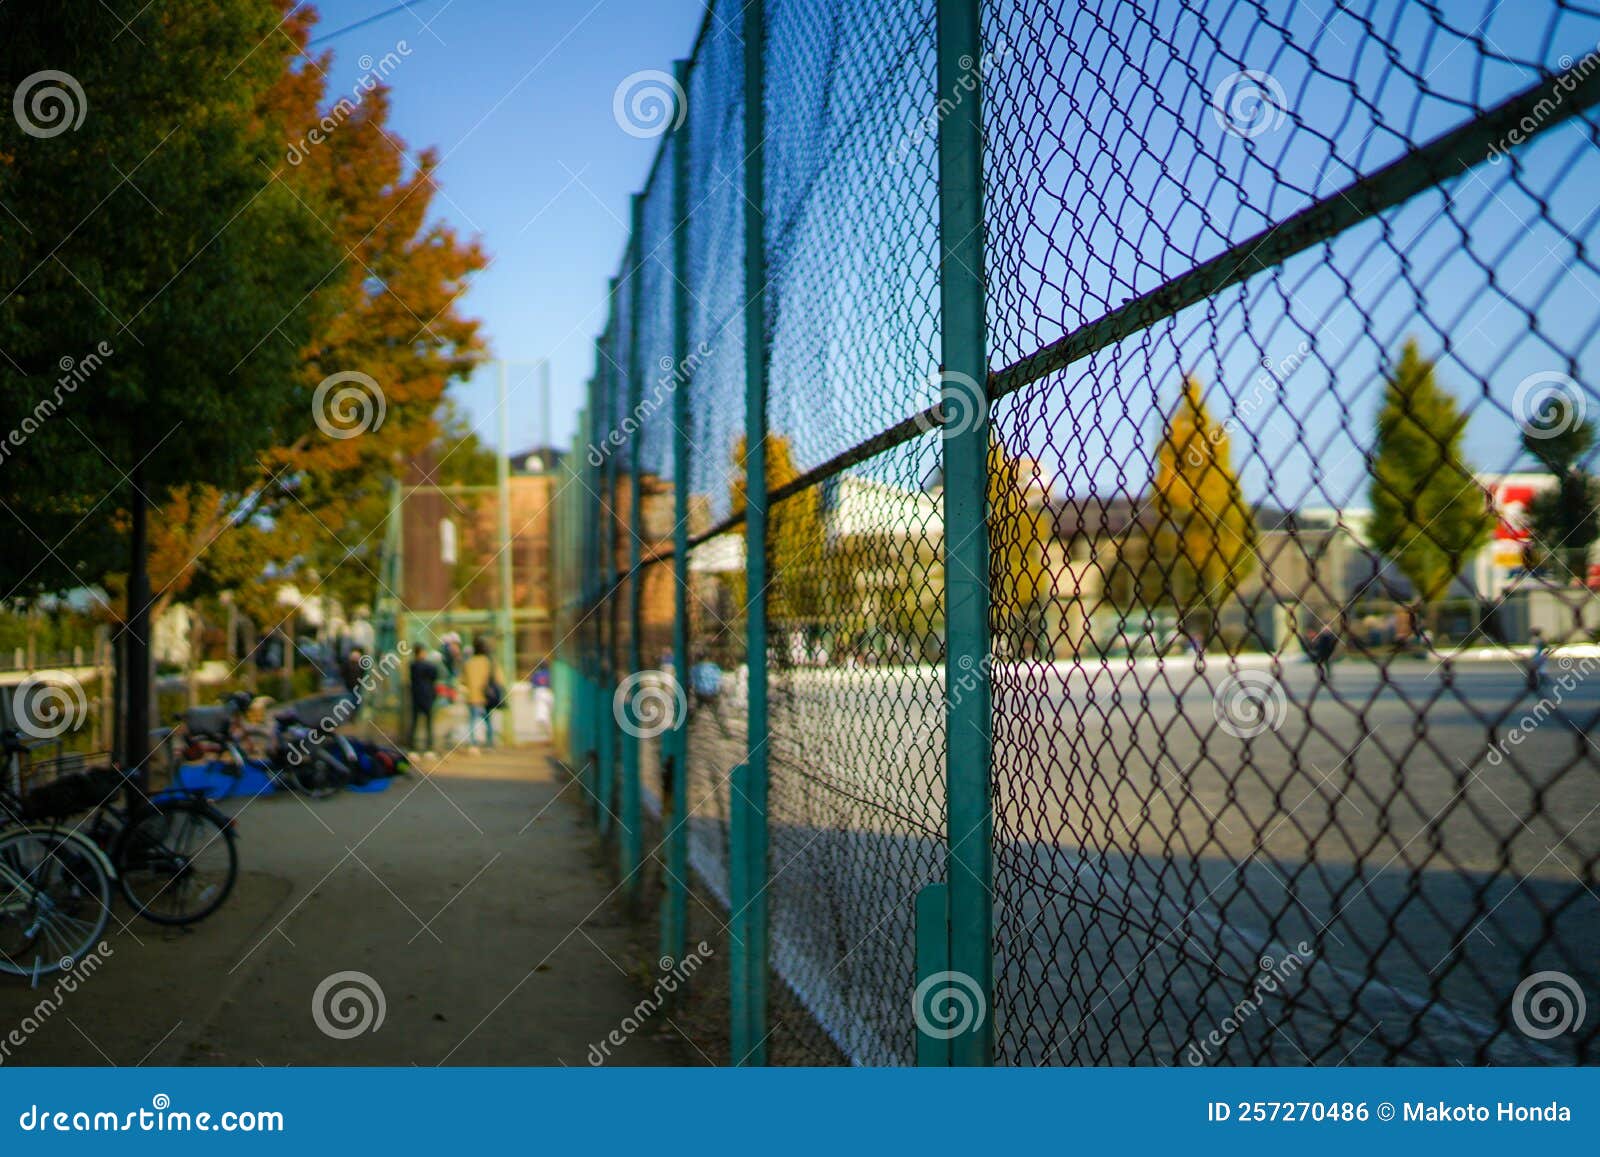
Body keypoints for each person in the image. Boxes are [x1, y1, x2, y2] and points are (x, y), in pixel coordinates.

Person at [462, 637, 500, 749]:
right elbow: (498, 678)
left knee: (472, 721)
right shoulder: (489, 661)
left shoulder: (468, 662)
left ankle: (473, 743)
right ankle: (489, 743)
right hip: (486, 696)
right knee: (488, 721)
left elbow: (463, 680)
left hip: (472, 696)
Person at [408, 646, 440, 756]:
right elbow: (435, 674)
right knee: (428, 723)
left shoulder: (413, 665)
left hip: (416, 697)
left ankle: (413, 746)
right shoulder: (428, 666)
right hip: (427, 696)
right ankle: (429, 747)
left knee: (415, 723)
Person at [1527, 627, 1549, 692]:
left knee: (1539, 669)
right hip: (1538, 656)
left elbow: (1545, 647)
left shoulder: (1538, 640)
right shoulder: (1538, 639)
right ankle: (1542, 680)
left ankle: (1542, 680)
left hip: (1539, 656)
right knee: (1539, 669)